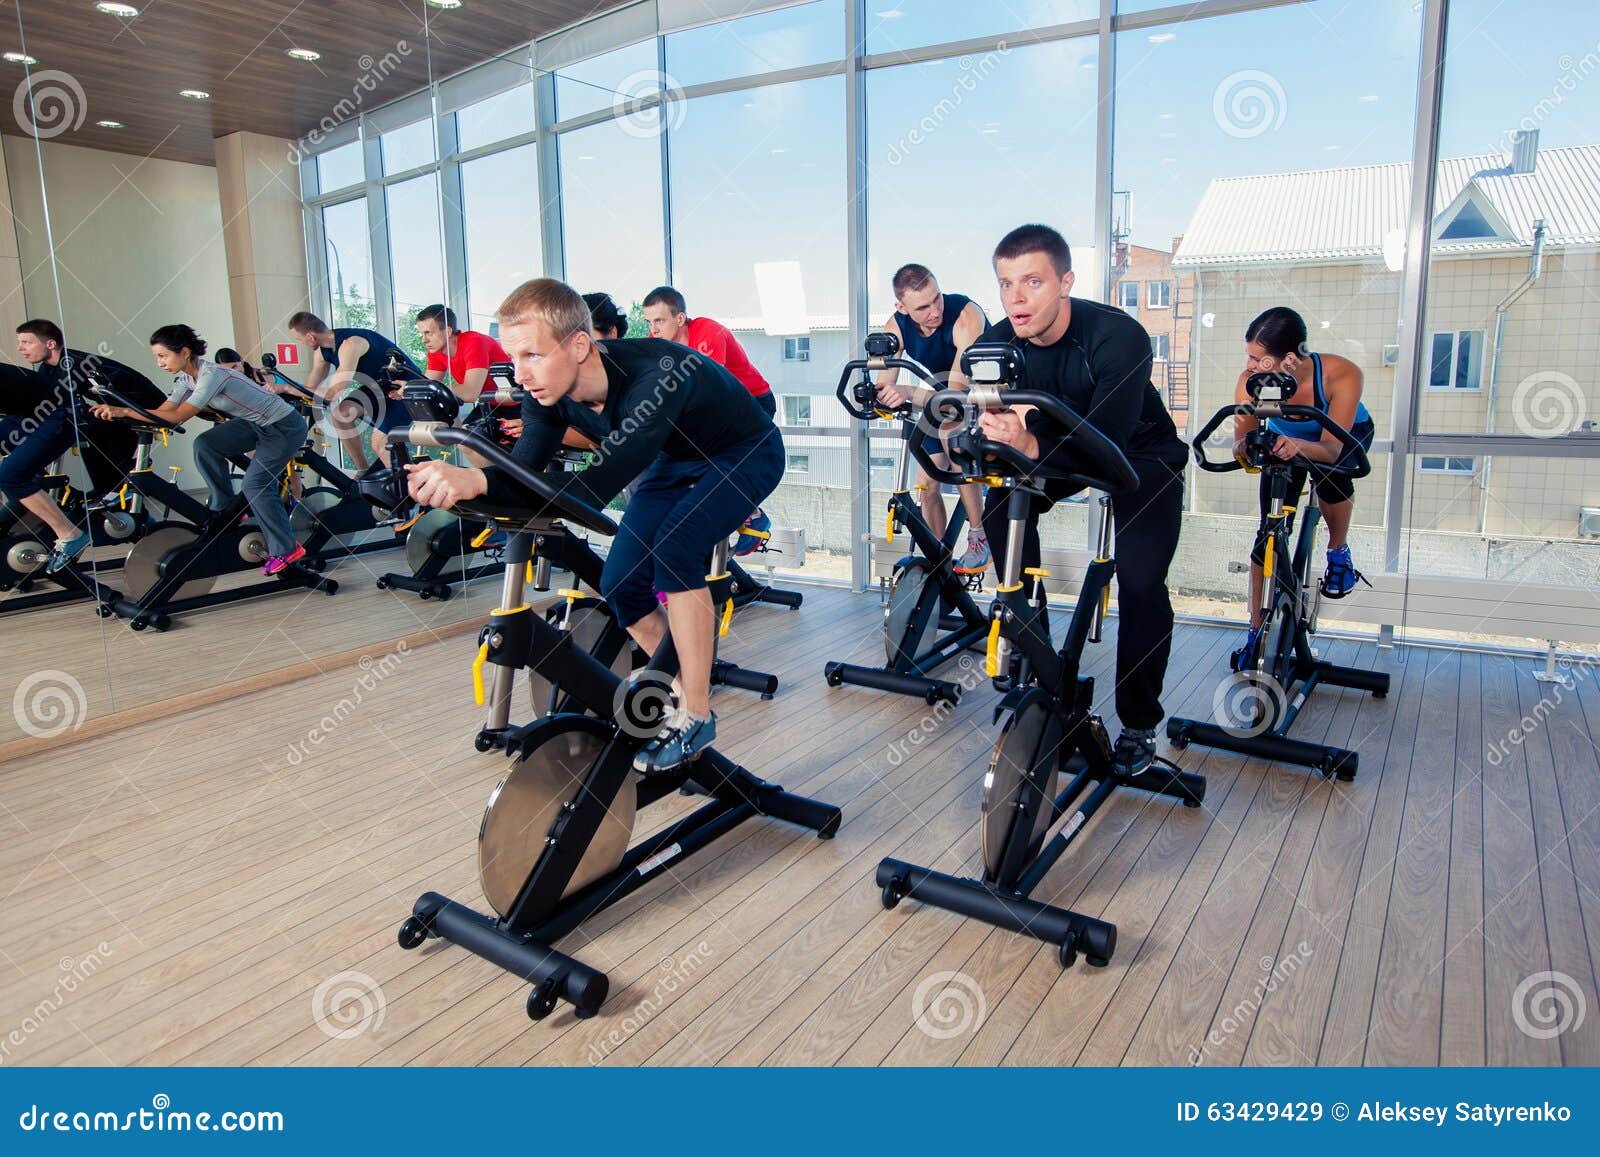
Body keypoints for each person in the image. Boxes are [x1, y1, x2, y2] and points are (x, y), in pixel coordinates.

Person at [404, 277, 783, 774]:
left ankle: (697, 714)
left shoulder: (654, 378)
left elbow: (592, 488)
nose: (520, 374)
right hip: (676, 458)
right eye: (513, 357)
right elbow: (525, 475)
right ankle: (682, 685)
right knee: (621, 583)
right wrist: (463, 485)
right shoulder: (544, 395)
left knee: (676, 548)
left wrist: (477, 480)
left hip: (745, 451)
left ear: (580, 345)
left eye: (533, 355)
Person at [972, 224, 1189, 775]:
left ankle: (1138, 722)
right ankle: (1037, 652)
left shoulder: (1119, 337)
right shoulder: (997, 343)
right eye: (1006, 284)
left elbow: (1105, 444)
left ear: (1065, 282)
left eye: (1033, 282)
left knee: (1140, 581)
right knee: (1000, 507)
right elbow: (983, 415)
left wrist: (1027, 441)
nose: (1017, 298)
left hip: (1137, 453)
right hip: (1059, 444)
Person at [91, 324, 310, 575]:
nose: (160, 363)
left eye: (163, 356)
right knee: (206, 444)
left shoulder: (211, 375)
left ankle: (286, 548)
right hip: (253, 424)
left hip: (283, 427)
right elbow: (164, 412)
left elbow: (178, 416)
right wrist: (121, 409)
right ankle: (226, 507)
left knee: (255, 485)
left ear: (185, 353)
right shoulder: (187, 378)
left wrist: (125, 411)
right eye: (157, 357)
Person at [1230, 306, 1375, 668]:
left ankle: (1338, 551)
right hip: (1285, 439)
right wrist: (1247, 447)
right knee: (1268, 532)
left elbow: (1331, 448)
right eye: (1249, 356)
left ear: (1290, 360)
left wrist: (1299, 447)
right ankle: (1255, 631)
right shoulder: (1256, 382)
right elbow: (1244, 440)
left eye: (1258, 359)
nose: (1249, 366)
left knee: (1330, 474)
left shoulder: (1341, 375)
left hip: (1341, 437)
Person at [1, 320, 165, 572]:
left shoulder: (72, 364)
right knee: (22, 467)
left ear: (50, 344)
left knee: (16, 473)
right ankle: (64, 495)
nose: (21, 348)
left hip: (139, 410)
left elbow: (114, 390)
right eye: (19, 343)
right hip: (77, 417)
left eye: (26, 342)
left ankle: (112, 498)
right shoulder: (48, 369)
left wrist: (124, 412)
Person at [872, 263, 992, 575]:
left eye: (936, 299)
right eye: (923, 307)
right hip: (940, 400)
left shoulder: (966, 316)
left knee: (952, 436)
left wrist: (908, 392)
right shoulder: (896, 325)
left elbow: (956, 396)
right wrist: (881, 395)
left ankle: (980, 535)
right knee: (926, 484)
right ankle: (940, 563)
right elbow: (884, 381)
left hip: (987, 396)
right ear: (902, 307)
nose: (935, 311)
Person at [641, 285, 775, 555]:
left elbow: (710, 391)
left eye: (659, 321)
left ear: (680, 318)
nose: (653, 329)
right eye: (649, 322)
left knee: (713, 459)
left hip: (753, 403)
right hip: (717, 407)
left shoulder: (708, 333)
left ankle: (753, 516)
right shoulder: (657, 343)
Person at [288, 311, 425, 471]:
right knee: (341, 414)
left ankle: (406, 486)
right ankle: (363, 471)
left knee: (380, 443)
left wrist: (286, 387)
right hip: (380, 387)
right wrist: (283, 392)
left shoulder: (351, 344)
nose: (301, 343)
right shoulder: (322, 351)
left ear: (311, 337)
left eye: (299, 339)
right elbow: (307, 390)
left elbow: (332, 394)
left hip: (406, 387)